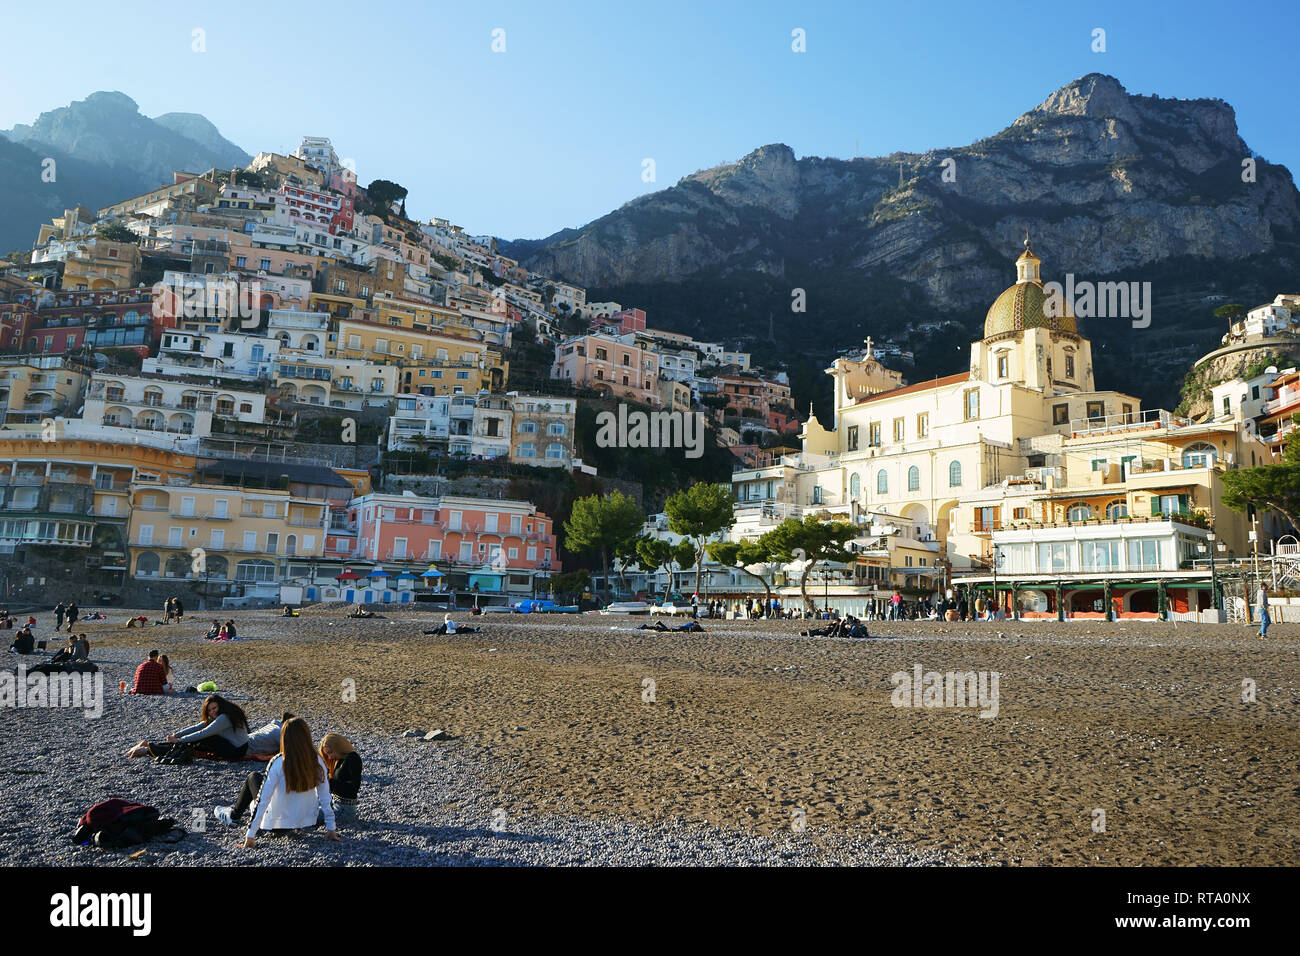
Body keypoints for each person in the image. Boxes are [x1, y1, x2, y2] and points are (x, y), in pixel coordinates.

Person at [212, 717, 341, 847]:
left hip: (275, 824)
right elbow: (325, 797)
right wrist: (331, 829)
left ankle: (233, 817)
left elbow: (263, 799)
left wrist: (250, 836)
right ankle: (238, 813)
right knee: (262, 785)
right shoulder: (317, 761)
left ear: (284, 737)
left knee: (253, 777)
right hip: (303, 821)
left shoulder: (278, 761)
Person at [127, 694, 250, 761]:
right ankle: (151, 747)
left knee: (197, 741)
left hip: (236, 751)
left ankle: (149, 749)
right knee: (192, 742)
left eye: (214, 708)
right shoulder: (222, 714)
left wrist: (179, 740)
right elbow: (199, 726)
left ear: (220, 705)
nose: (212, 712)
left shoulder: (224, 717)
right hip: (233, 745)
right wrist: (178, 735)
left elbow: (204, 732)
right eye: (209, 710)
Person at [318, 733, 363, 827]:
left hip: (343, 810)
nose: (329, 757)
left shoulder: (352, 758)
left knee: (310, 814)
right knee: (307, 806)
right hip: (335, 803)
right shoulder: (340, 759)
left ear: (338, 748)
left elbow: (354, 788)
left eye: (330, 752)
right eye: (327, 754)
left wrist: (329, 782)